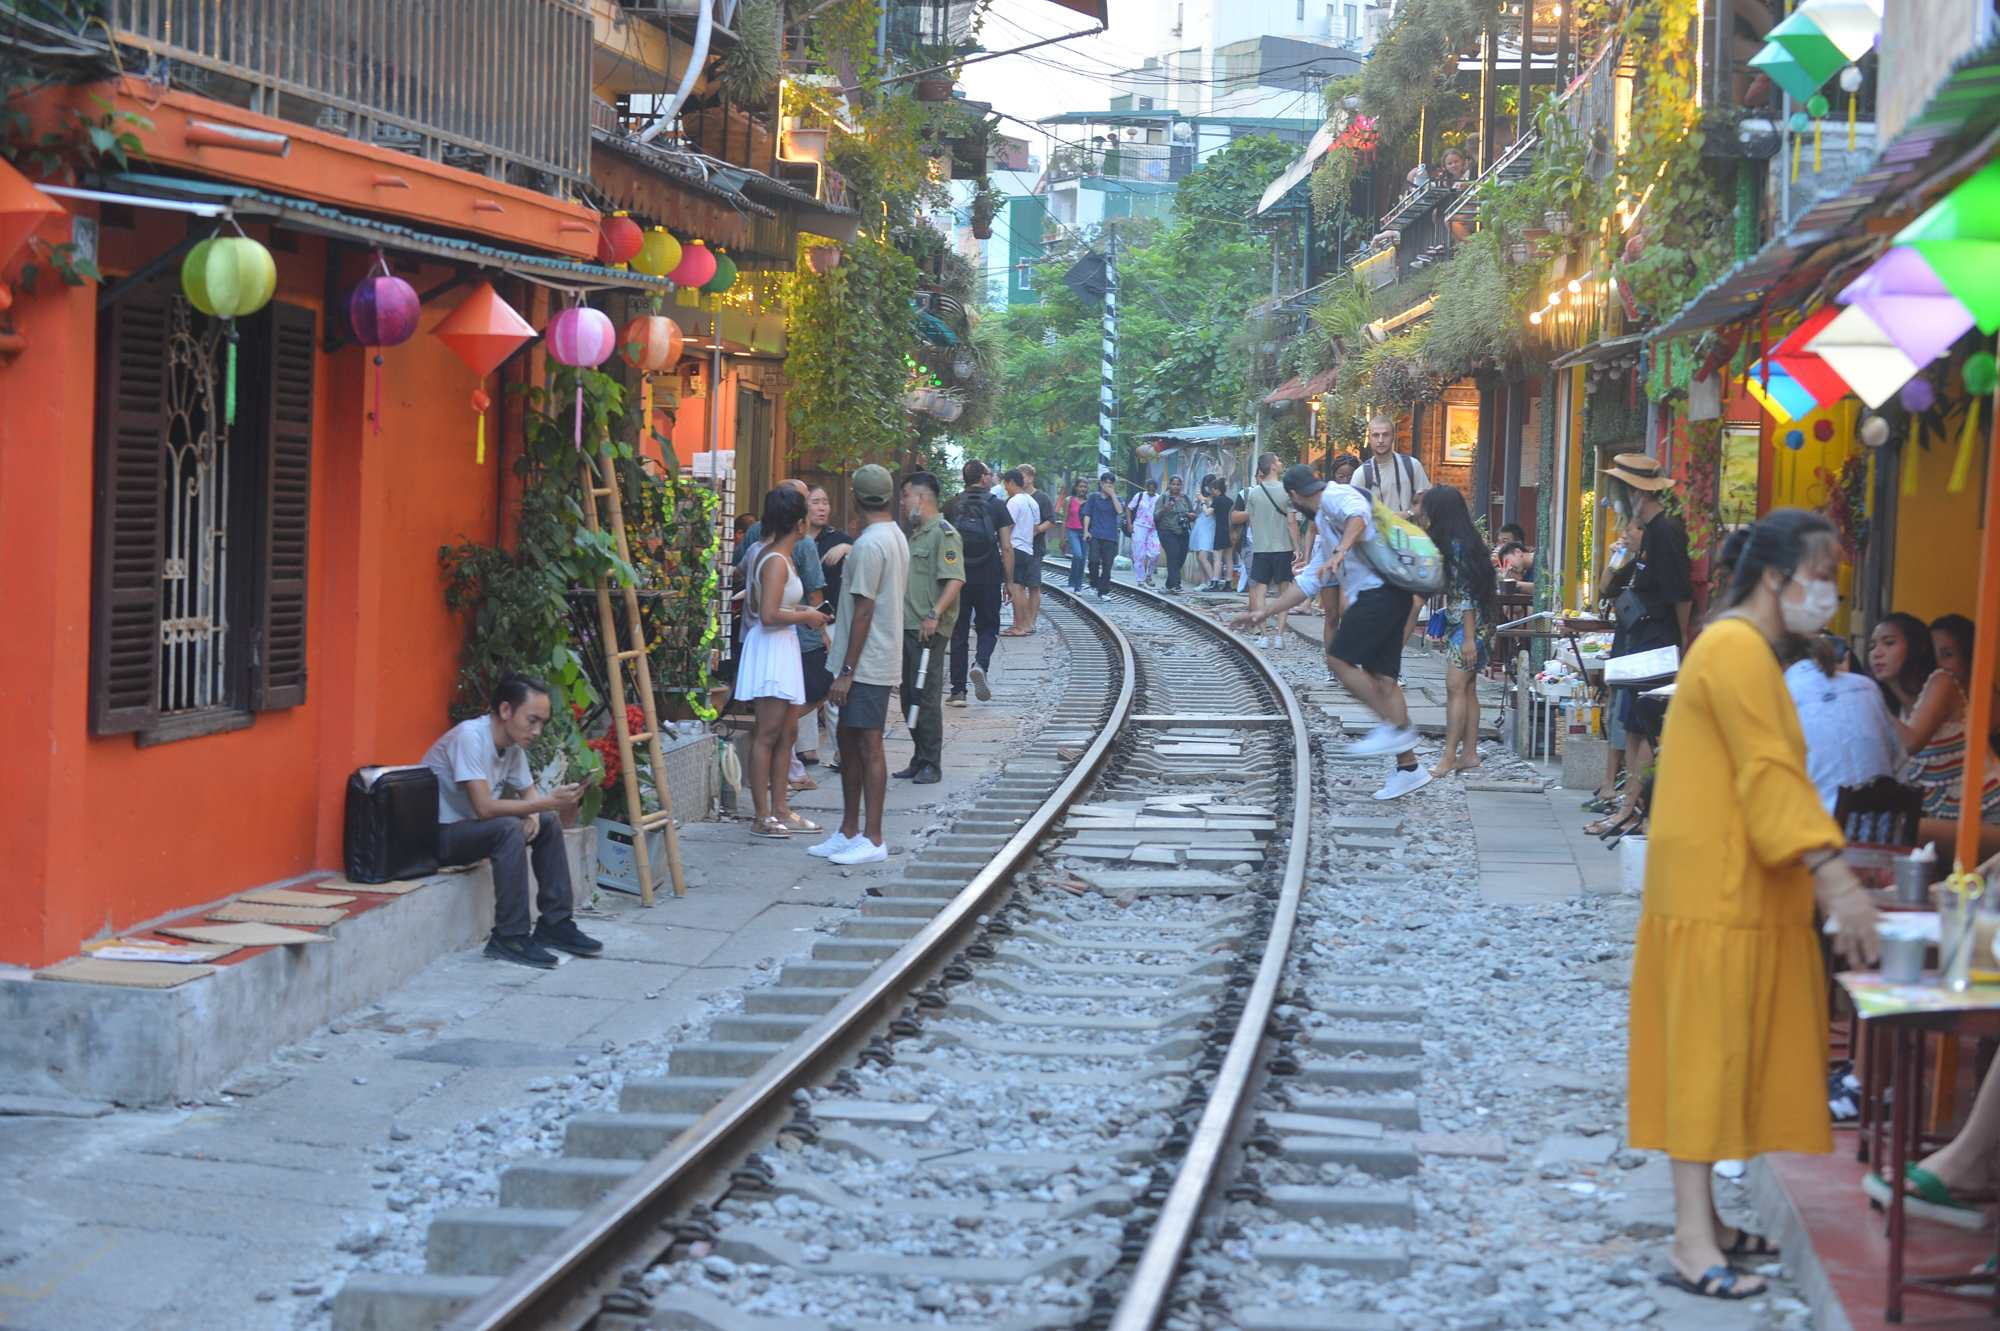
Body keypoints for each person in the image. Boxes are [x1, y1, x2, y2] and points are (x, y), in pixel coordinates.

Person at [1626, 508, 1880, 1303]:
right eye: (1823, 574)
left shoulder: (1741, 646)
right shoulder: (1736, 649)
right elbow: (1771, 775)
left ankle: (1711, 1223)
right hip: (1716, 898)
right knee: (1706, 1062)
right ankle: (1692, 1239)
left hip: (1728, 893)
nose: (1830, 592)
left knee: (1724, 1056)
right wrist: (1836, 877)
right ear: (1776, 577)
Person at [1230, 464, 1431, 801]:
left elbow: (1358, 517)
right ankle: (1409, 767)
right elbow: (1309, 580)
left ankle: (1394, 729)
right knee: (1382, 680)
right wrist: (1264, 611)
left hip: (1378, 593)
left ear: (1293, 497)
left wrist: (1340, 552)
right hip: (1390, 593)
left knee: (1337, 660)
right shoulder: (1324, 519)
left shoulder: (1337, 497)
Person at [422, 674, 596, 969]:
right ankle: (509, 936)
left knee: (547, 822)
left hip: (470, 831)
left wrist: (536, 813)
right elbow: (484, 808)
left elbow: (531, 797)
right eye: (532, 720)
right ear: (505, 711)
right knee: (508, 828)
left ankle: (556, 923)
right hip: (436, 836)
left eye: (542, 722)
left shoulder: (513, 748)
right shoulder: (469, 737)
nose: (538, 730)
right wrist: (541, 805)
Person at [1586, 455, 1692, 837]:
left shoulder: (1665, 532)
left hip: (1657, 640)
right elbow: (1611, 586)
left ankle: (1637, 808)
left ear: (1636, 491)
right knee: (1632, 726)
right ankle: (1628, 806)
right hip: (1640, 639)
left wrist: (1682, 644)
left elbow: (1681, 593)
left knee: (1646, 728)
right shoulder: (1649, 531)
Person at [812, 464, 910, 866]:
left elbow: (865, 610)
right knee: (850, 744)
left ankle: (873, 837)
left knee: (868, 744)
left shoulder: (870, 545)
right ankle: (849, 829)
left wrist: (848, 672)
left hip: (867, 662)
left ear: (855, 499)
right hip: (869, 656)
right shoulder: (892, 536)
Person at [736, 485, 834, 841]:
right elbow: (768, 615)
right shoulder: (776, 560)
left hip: (784, 646)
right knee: (768, 733)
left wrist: (803, 613)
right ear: (799, 523)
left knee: (787, 733)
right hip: (772, 647)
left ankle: (780, 807)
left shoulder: (781, 554)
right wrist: (806, 616)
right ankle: (762, 814)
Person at [1871, 612, 2000, 821]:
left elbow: (1912, 742)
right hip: (1952, 820)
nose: (1877, 652)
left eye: (1888, 643)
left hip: (1991, 810)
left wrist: (1869, 696)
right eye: (1872, 646)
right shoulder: (1900, 712)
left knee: (1906, 832)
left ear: (1916, 649)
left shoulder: (1942, 682)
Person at [1419, 485, 1497, 777]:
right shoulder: (1467, 540)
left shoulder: (1454, 545)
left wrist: (1467, 639)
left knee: (1454, 688)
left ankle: (1449, 756)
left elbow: (1464, 594)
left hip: (1468, 626)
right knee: (1468, 688)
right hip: (1480, 621)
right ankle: (1470, 753)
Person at [1785, 633, 1905, 812]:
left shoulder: (1782, 695)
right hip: (1886, 830)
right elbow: (1900, 764)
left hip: (1821, 832)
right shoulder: (1867, 687)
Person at [895, 472, 962, 785]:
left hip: (928, 630)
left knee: (926, 696)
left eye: (906, 495)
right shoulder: (917, 533)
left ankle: (931, 763)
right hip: (909, 627)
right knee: (909, 695)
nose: (903, 501)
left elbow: (955, 579)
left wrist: (934, 614)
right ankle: (918, 755)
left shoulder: (943, 534)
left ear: (920, 499)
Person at [944, 460, 1014, 707]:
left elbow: (945, 544)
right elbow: (1006, 546)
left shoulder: (952, 505)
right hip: (989, 575)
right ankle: (981, 665)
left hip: (958, 577)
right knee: (989, 627)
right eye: (989, 473)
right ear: (983, 478)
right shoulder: (997, 506)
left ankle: (958, 691)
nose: (991, 477)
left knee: (958, 631)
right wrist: (1009, 581)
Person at [799, 487, 852, 770]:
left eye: (825, 502)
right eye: (815, 502)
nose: (822, 507)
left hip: (830, 623)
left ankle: (841, 751)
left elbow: (864, 555)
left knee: (831, 688)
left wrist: (848, 548)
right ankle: (806, 749)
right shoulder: (794, 540)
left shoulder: (837, 538)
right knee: (803, 687)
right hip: (796, 622)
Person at [1232, 452, 1299, 650]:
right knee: (1283, 593)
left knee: (1259, 591)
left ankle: (1263, 635)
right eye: (1278, 461)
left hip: (1260, 548)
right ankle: (1279, 636)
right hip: (1283, 548)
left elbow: (1251, 522)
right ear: (1272, 467)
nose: (1281, 463)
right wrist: (1297, 548)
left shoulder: (1253, 493)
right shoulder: (1287, 492)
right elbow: (1291, 523)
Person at [1318, 454, 1363, 676]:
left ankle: (1347, 662)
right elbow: (1312, 529)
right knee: (1331, 615)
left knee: (1348, 612)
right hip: (1327, 559)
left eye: (1350, 476)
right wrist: (1305, 555)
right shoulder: (1328, 496)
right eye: (1341, 476)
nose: (1346, 480)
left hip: (1352, 562)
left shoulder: (1361, 498)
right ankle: (1332, 667)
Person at [1355, 414, 1428, 519]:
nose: (1380, 440)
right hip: (1376, 534)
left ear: (1393, 436)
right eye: (1376, 435)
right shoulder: (1361, 474)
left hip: (1408, 533)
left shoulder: (1412, 465)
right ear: (1369, 439)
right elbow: (1354, 512)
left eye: (1385, 435)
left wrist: (1407, 514)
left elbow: (1427, 502)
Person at [1001, 469, 1043, 637]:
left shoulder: (1014, 501)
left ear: (1011, 482)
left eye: (1006, 485)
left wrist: (1002, 545)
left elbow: (1008, 526)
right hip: (1028, 548)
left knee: (1015, 587)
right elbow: (1035, 527)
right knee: (1021, 588)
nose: (1006, 489)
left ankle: (1020, 626)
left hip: (1015, 548)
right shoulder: (1032, 501)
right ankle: (1024, 624)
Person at [1020, 463, 1059, 608]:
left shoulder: (1042, 498)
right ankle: (1022, 619)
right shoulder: (1015, 497)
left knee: (1034, 585)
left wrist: (1037, 530)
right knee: (1018, 586)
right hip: (1018, 547)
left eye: (1022, 477)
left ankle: (1031, 620)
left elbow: (1051, 520)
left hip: (1035, 547)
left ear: (1030, 478)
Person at [1083, 473, 1124, 598]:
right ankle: (1094, 583)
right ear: (1100, 483)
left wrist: (1112, 495)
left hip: (1110, 536)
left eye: (1110, 483)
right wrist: (1086, 530)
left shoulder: (1117, 499)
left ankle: (1104, 591)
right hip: (1095, 534)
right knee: (1093, 561)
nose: (1108, 485)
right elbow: (1087, 514)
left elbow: (1120, 511)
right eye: (1105, 482)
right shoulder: (1093, 497)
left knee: (1107, 564)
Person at [1154, 473, 1194, 594]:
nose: (1176, 487)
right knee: (1173, 555)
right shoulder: (1163, 498)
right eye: (1173, 484)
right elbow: (1155, 516)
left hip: (1183, 530)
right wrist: (1166, 508)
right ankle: (1177, 585)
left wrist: (1190, 515)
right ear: (1170, 485)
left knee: (1181, 557)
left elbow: (1193, 514)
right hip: (1167, 531)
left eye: (1178, 484)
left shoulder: (1185, 498)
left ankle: (1169, 585)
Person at [1205, 474, 1236, 591]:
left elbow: (1208, 513)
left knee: (1217, 558)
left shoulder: (1217, 500)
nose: (1211, 492)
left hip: (1220, 531)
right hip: (1230, 531)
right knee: (1229, 558)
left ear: (1217, 490)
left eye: (1212, 489)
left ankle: (1215, 582)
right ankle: (1228, 583)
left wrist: (1203, 503)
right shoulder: (1230, 501)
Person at [1129, 480, 1162, 587]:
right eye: (1149, 487)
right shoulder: (1139, 496)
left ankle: (1149, 575)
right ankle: (1140, 579)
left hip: (1153, 529)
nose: (1151, 489)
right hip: (1139, 527)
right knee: (1139, 554)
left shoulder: (1159, 498)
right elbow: (1129, 508)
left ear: (1156, 488)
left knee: (1155, 553)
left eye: (1154, 487)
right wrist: (1130, 524)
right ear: (1146, 487)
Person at [1063, 477, 1089, 593]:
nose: (1082, 489)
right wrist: (1062, 537)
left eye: (1085, 486)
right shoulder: (1069, 500)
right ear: (1076, 487)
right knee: (1077, 555)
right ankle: (1072, 582)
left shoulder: (1089, 502)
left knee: (1082, 558)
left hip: (1085, 532)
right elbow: (1065, 519)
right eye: (1080, 486)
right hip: (1072, 530)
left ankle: (1078, 586)